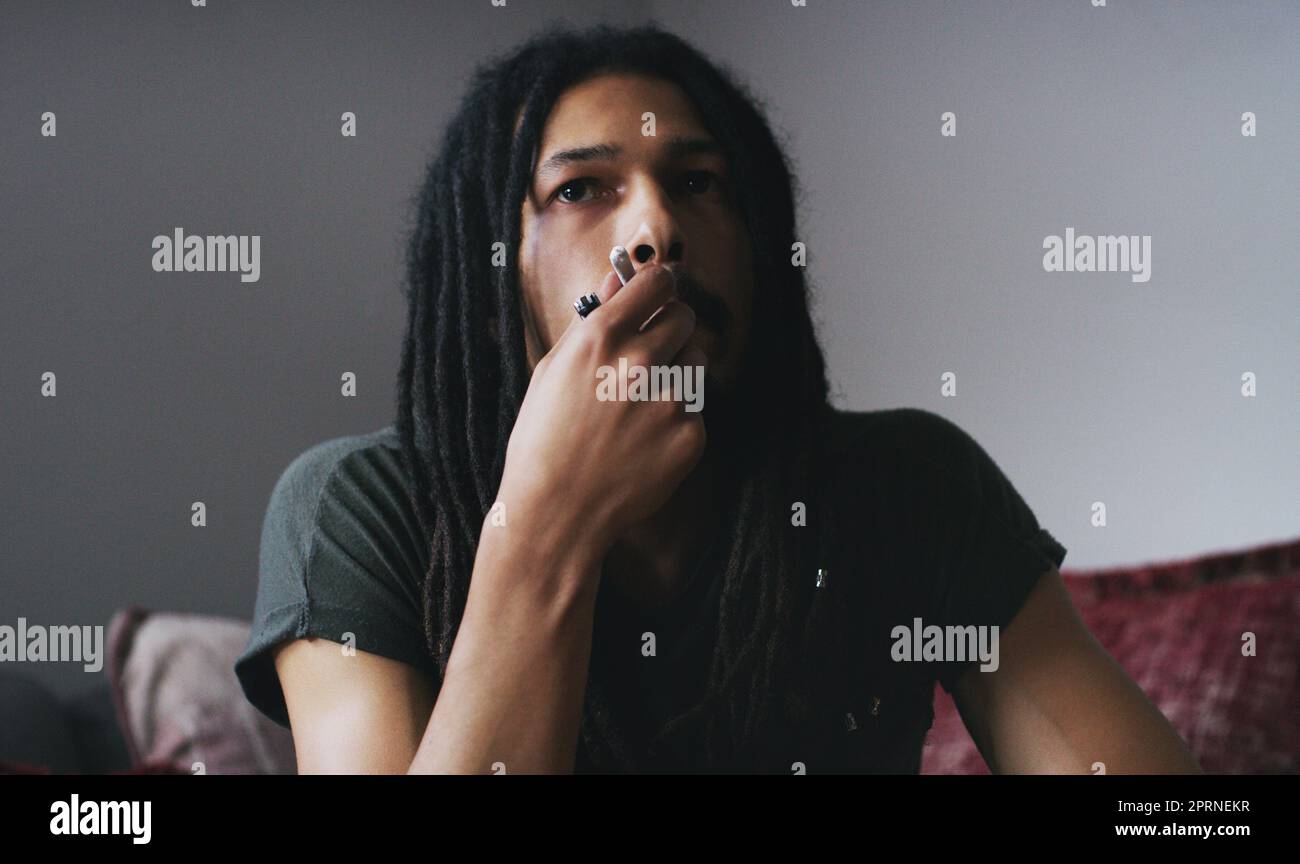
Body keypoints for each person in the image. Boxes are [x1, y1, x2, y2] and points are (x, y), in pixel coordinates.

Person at [234, 23, 1201, 775]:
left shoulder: (912, 488)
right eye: (581, 190)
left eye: (698, 182)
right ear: (490, 290)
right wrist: (545, 526)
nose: (656, 226)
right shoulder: (357, 512)